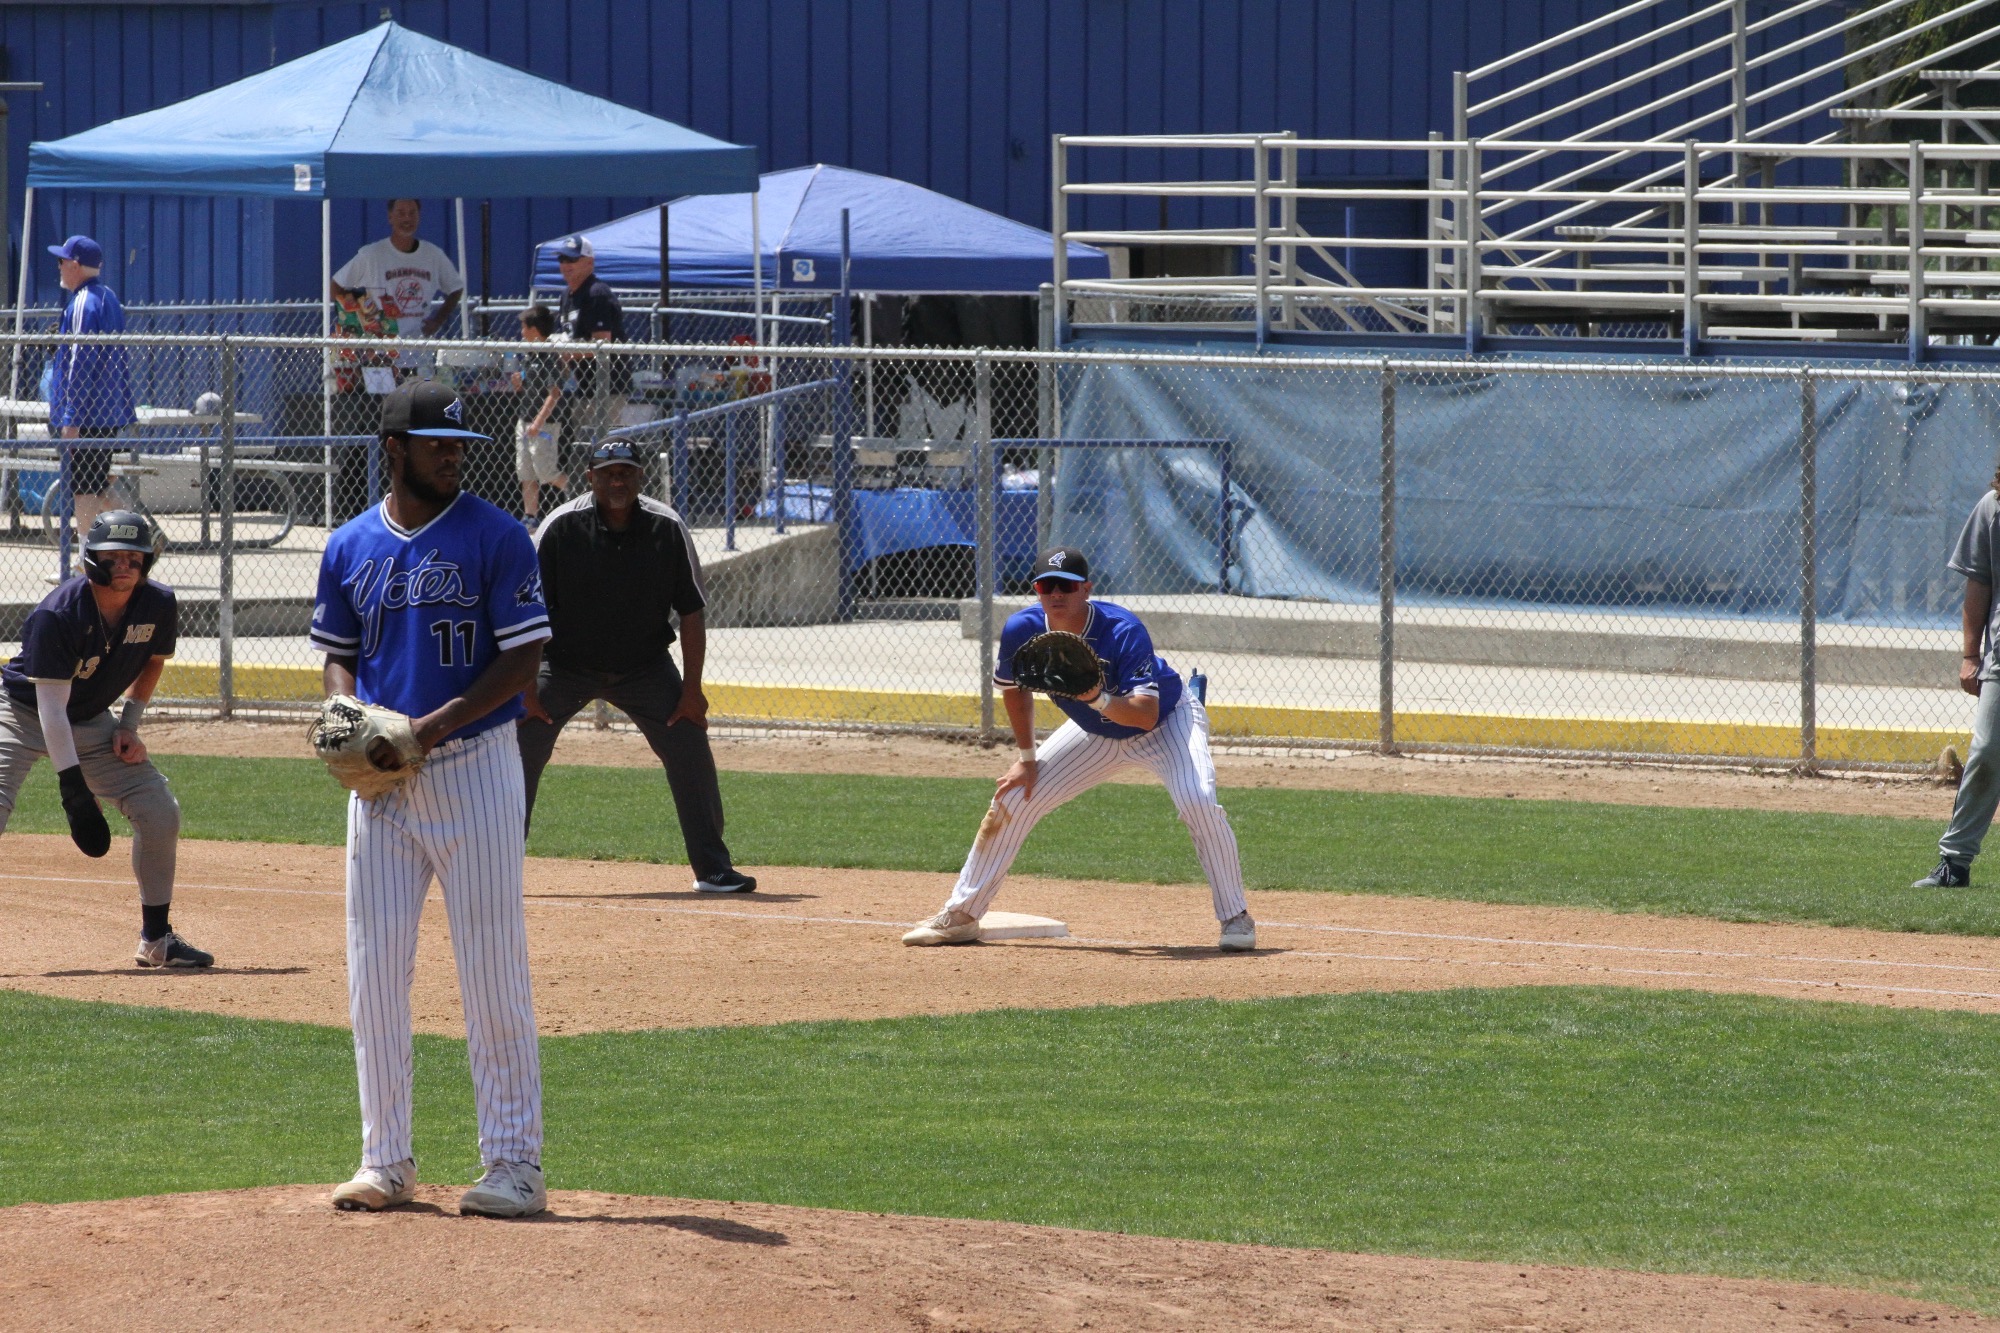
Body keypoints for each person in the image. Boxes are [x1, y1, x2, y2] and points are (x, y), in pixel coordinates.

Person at [310, 380, 551, 1218]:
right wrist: (348, 714)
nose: (452, 454)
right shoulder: (348, 545)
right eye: (436, 443)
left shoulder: (498, 535)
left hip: (475, 766)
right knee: (374, 969)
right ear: (394, 448)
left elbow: (523, 661)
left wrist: (428, 728)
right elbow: (339, 654)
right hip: (382, 781)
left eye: (459, 444)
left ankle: (515, 1163)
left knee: (490, 967)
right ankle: (385, 1159)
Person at [903, 547, 1256, 952]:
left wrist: (1096, 698)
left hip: (1166, 722)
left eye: (1066, 586)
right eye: (1046, 586)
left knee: (1198, 801)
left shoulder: (1122, 629)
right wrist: (1027, 759)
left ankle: (1235, 916)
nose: (1056, 593)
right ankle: (962, 915)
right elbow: (1014, 691)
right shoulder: (1022, 629)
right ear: (1036, 590)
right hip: (1095, 732)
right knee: (1015, 797)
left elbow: (1144, 715)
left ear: (1086, 589)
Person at [518, 440, 755, 894]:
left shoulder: (667, 526)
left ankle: (713, 869)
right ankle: (501, 866)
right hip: (564, 665)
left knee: (688, 742)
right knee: (520, 746)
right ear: (590, 477)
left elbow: (692, 612)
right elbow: (528, 611)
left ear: (641, 476)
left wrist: (692, 691)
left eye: (626, 472)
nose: (618, 481)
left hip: (644, 667)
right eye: (608, 473)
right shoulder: (560, 526)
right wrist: (526, 689)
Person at [0, 510, 205, 968]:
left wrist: (129, 724)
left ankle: (157, 940)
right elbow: (51, 710)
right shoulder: (59, 613)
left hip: (91, 719)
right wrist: (74, 791)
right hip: (20, 714)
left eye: (135, 557)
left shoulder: (157, 603)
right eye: (114, 556)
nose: (125, 565)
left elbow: (154, 659)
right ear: (93, 559)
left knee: (159, 812)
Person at [1917, 466, 2000, 889]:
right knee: (1986, 751)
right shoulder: (1994, 506)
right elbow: (1979, 583)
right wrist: (1970, 655)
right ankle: (1954, 863)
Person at [45, 235, 136, 545]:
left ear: (75, 265)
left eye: (62, 262)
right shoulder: (108, 296)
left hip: (88, 415)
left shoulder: (85, 302)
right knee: (97, 484)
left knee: (83, 488)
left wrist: (71, 418)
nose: (59, 267)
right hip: (105, 411)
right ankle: (142, 537)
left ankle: (85, 557)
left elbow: (80, 363)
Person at [329, 199, 463, 339]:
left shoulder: (433, 255)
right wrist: (359, 320)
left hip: (419, 345)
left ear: (419, 217)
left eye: (412, 213)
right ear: (390, 217)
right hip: (381, 346)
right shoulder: (371, 255)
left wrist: (438, 321)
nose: (407, 218)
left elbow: (456, 288)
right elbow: (336, 286)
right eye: (401, 213)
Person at [549, 235, 625, 473]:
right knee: (582, 453)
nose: (566, 265)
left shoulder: (596, 293)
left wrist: (569, 353)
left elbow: (603, 344)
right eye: (562, 260)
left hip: (608, 387)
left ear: (589, 262)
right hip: (583, 388)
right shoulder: (566, 295)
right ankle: (587, 494)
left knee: (604, 452)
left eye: (572, 259)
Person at [513, 304, 565, 527]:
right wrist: (518, 384)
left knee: (546, 471)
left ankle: (579, 492)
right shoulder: (529, 355)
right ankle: (530, 516)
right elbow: (527, 389)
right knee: (525, 470)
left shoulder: (549, 356)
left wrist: (538, 422)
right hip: (525, 420)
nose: (522, 332)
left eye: (524, 327)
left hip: (545, 423)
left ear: (534, 329)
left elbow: (554, 393)